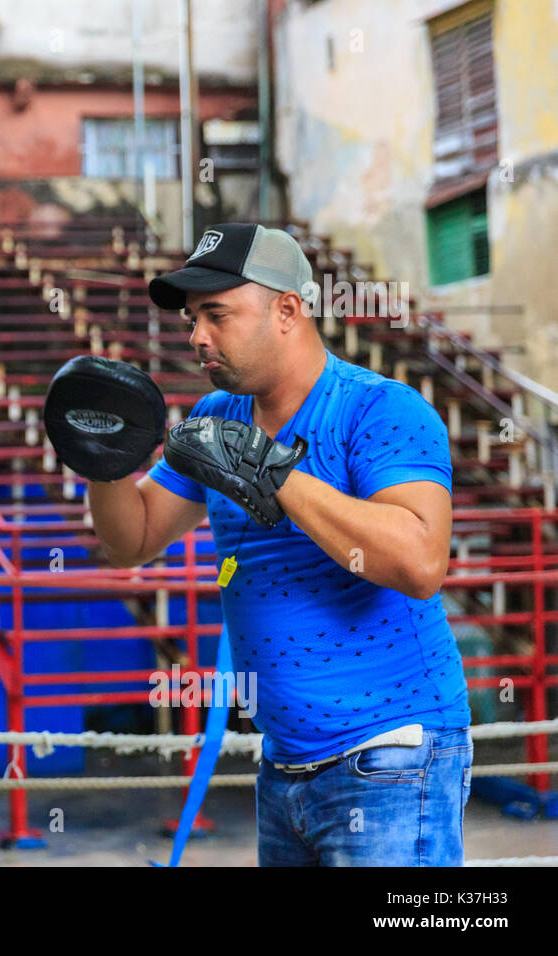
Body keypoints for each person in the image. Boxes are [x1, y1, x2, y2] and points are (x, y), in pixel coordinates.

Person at [44, 223, 471, 866]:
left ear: (288, 310)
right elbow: (131, 540)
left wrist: (272, 472)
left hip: (393, 753)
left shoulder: (380, 409)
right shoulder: (217, 419)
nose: (197, 337)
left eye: (216, 314)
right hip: (284, 765)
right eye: (192, 319)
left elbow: (418, 562)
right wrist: (106, 463)